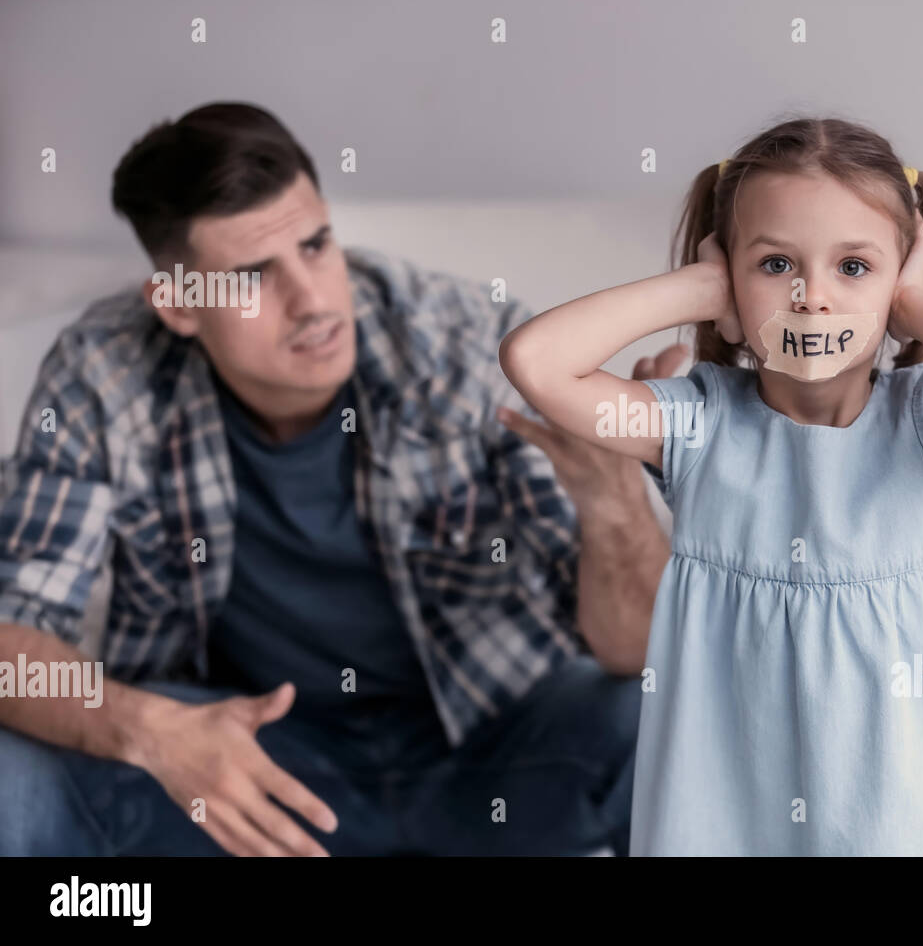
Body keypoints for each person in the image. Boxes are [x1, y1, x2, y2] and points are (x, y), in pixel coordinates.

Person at [0, 102, 679, 856]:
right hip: (252, 768)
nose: (314, 300)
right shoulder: (102, 372)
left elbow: (636, 653)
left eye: (316, 244)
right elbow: (12, 640)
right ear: (181, 306)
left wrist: (614, 498)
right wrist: (151, 731)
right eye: (254, 275)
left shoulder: (467, 344)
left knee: (657, 713)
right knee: (12, 769)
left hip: (486, 753)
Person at [500, 116, 923, 855]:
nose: (812, 297)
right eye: (774, 265)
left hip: (900, 805)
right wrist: (699, 289)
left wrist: (915, 308)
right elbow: (537, 361)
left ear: (901, 276)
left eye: (853, 267)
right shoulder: (696, 425)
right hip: (736, 798)